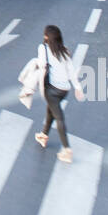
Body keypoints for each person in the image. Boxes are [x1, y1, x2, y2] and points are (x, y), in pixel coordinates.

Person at [34, 24, 85, 163]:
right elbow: (71, 71)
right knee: (51, 109)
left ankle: (67, 149)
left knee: (59, 118)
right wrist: (78, 87)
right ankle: (43, 135)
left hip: (51, 89)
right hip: (64, 90)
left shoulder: (43, 49)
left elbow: (42, 65)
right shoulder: (64, 51)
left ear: (46, 37)